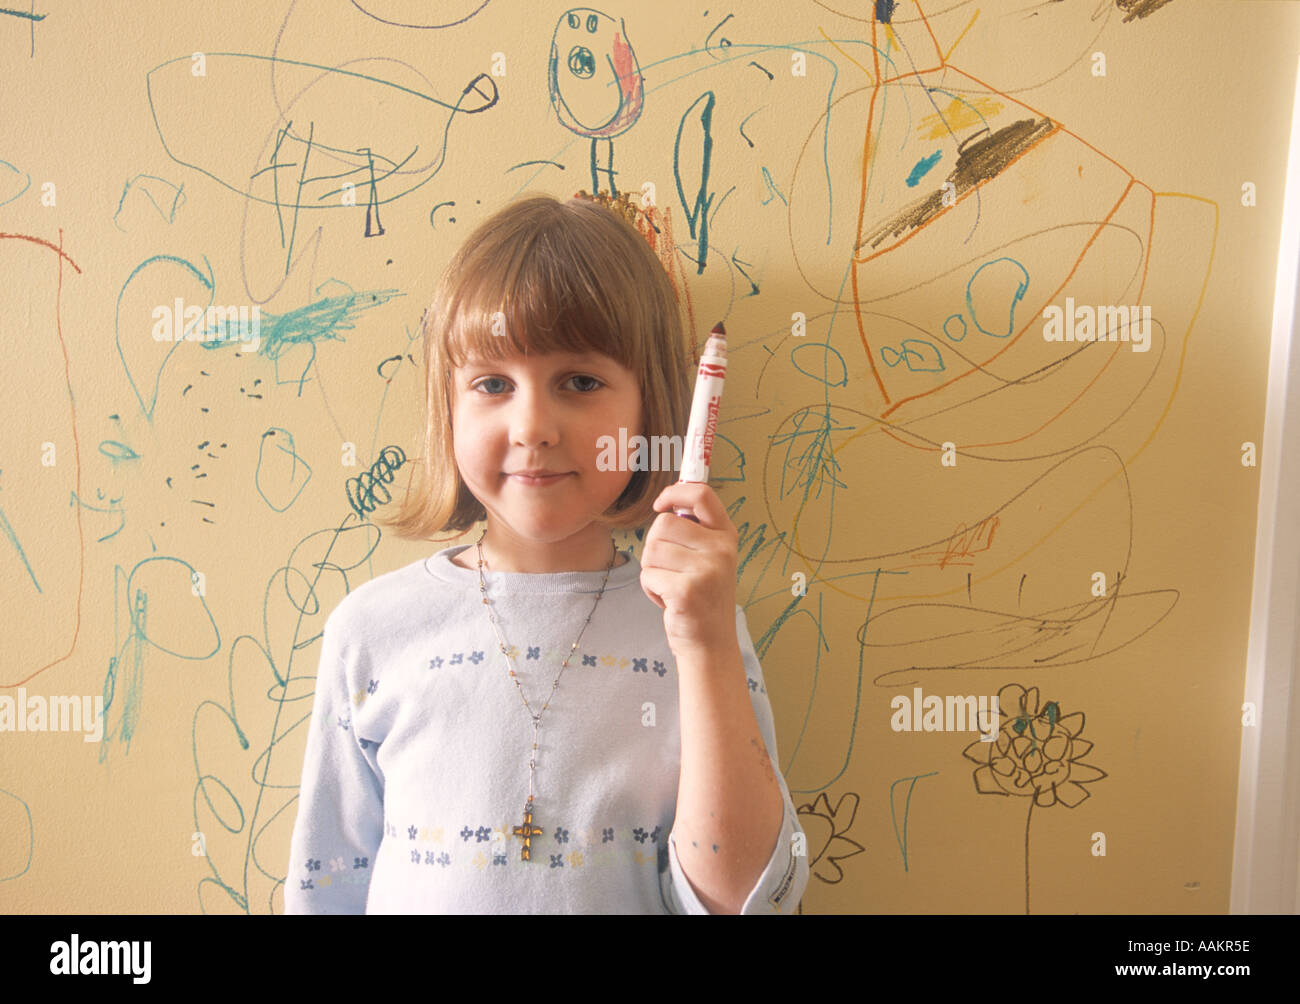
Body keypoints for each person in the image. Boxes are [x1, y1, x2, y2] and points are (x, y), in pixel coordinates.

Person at [284, 192, 808, 914]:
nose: (532, 425)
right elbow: (327, 888)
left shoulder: (697, 624)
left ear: (650, 408)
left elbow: (744, 899)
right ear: (449, 407)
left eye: (581, 382)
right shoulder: (371, 631)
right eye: (492, 384)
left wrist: (707, 644)